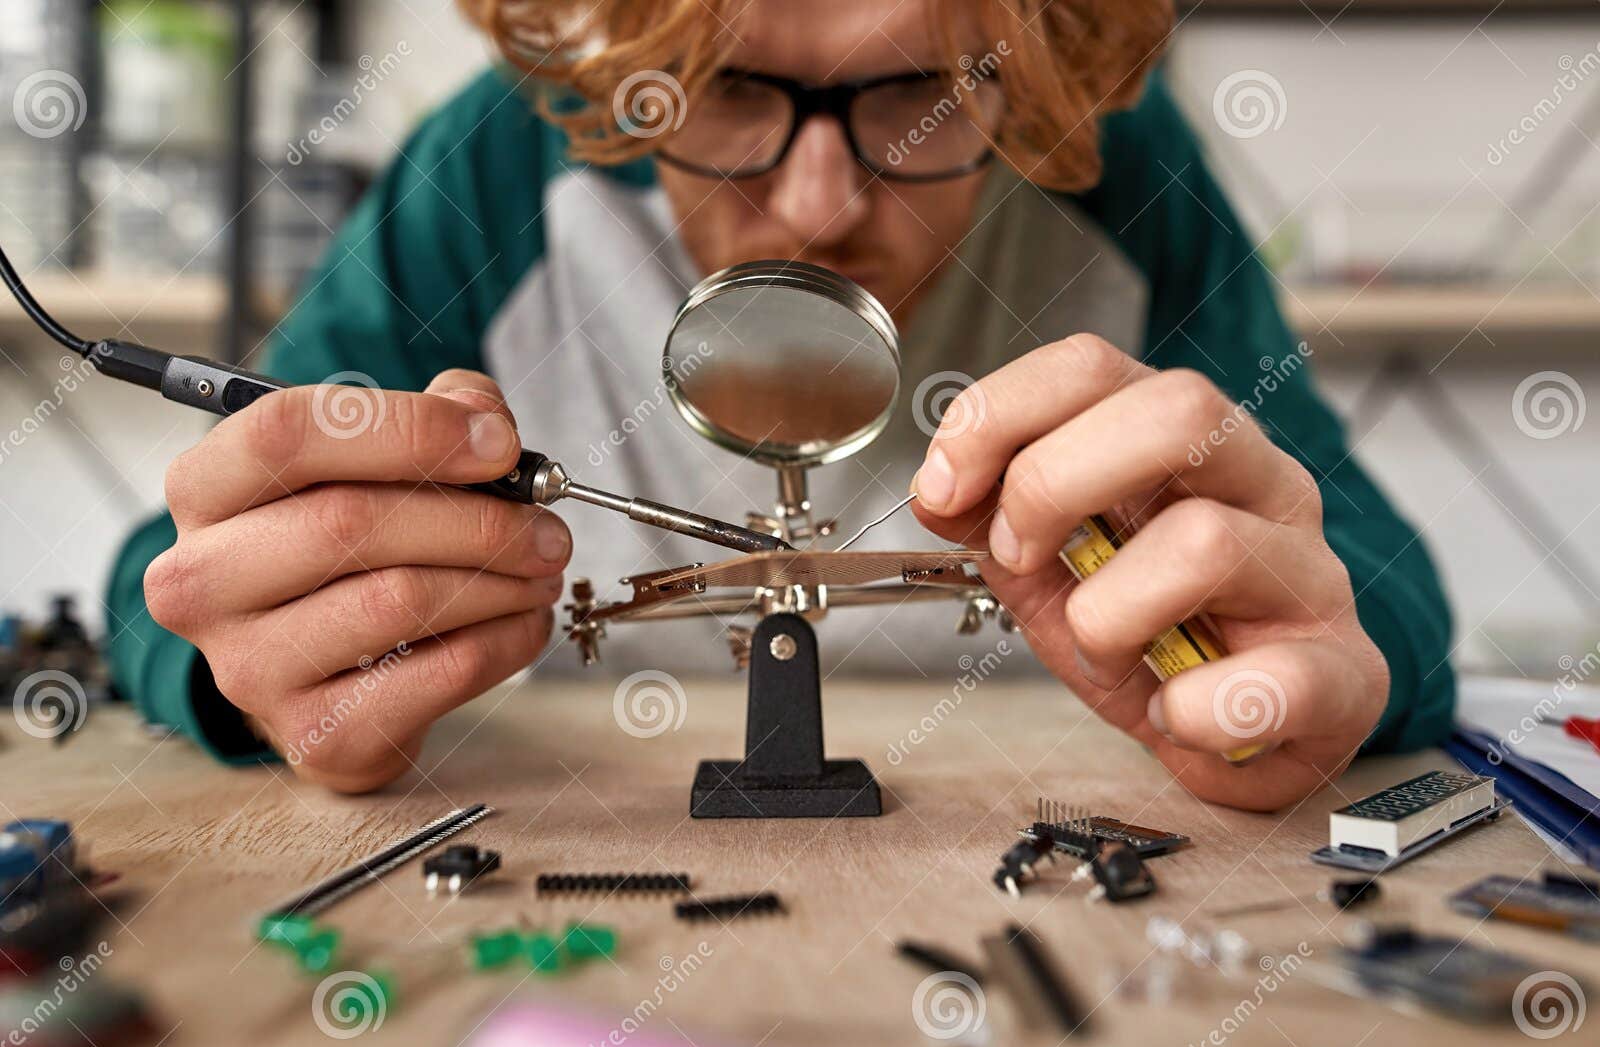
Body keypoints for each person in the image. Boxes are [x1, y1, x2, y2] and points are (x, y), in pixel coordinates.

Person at [105, 0, 1454, 807]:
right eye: (735, 88)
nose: (819, 206)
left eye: (922, 88)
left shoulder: (1110, 160)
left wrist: (1322, 665)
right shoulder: (500, 164)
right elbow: (170, 575)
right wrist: (257, 670)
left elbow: (1373, 585)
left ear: (1028, 67)